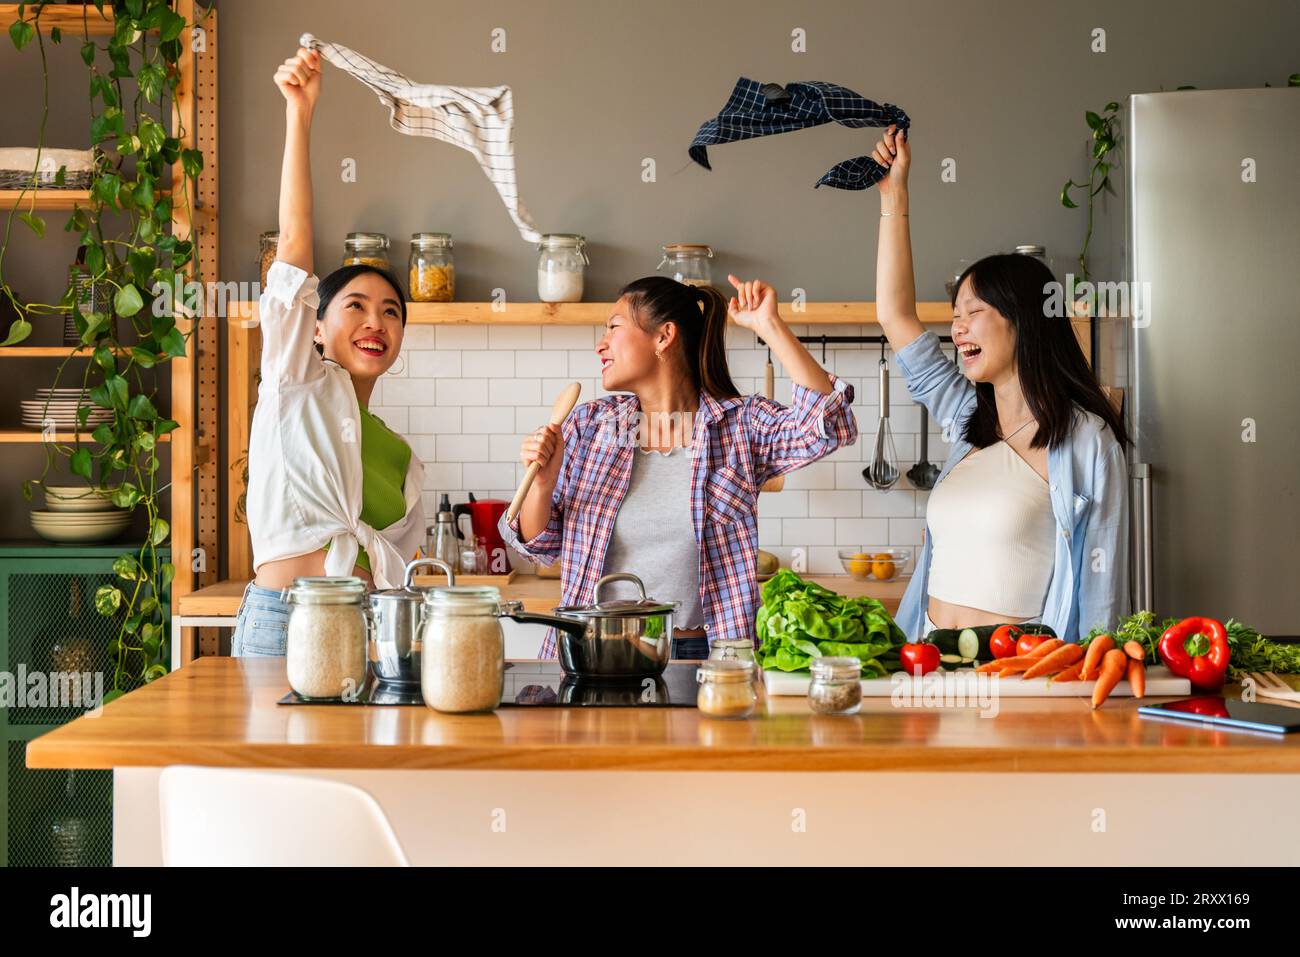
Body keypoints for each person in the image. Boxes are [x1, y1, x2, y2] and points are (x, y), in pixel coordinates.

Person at [501, 274, 859, 659]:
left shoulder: (740, 425)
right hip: (595, 649)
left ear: (663, 336)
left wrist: (769, 326)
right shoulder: (590, 427)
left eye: (614, 328)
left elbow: (828, 426)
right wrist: (543, 483)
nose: (600, 345)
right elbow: (541, 547)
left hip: (707, 656)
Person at [870, 124, 1129, 643]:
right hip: (928, 662)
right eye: (954, 314)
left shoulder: (1087, 441)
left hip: (1021, 676)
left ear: (1023, 320)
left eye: (974, 311)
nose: (956, 327)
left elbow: (1102, 591)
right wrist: (894, 197)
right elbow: (895, 315)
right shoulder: (966, 416)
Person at [230, 47, 425, 657]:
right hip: (283, 623)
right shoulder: (296, 381)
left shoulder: (398, 454)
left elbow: (397, 561)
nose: (376, 322)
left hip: (362, 630)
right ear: (314, 326)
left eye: (391, 312)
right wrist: (300, 115)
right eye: (357, 306)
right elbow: (292, 242)